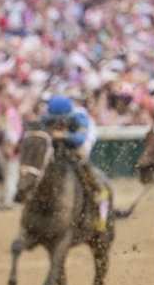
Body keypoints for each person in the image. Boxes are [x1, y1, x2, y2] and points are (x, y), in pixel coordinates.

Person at [42, 95, 108, 233]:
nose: (57, 122)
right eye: (54, 120)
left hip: (80, 143)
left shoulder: (80, 117)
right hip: (59, 145)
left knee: (80, 156)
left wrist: (64, 135)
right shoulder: (46, 116)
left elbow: (80, 139)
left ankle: (97, 192)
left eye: (60, 120)